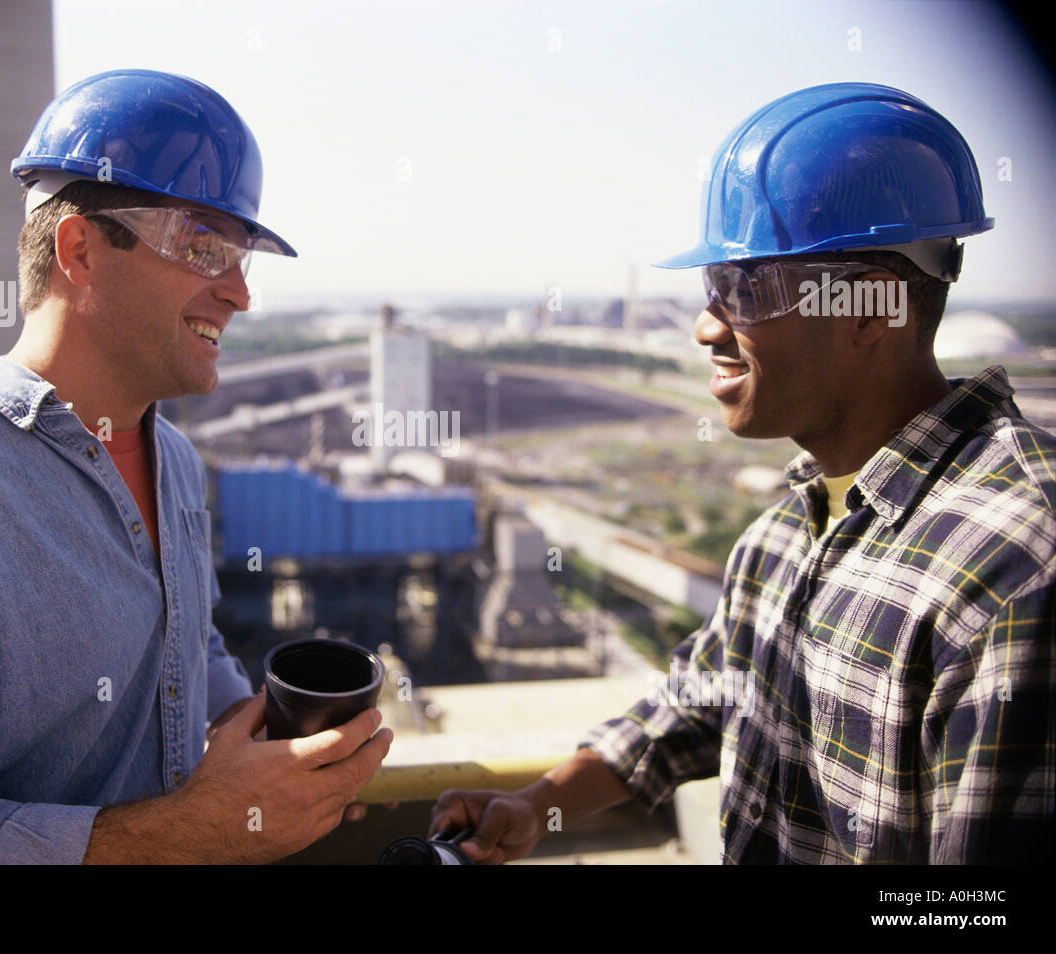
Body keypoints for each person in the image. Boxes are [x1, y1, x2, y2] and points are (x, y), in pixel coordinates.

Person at [0, 69, 391, 863]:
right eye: (205, 246)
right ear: (80, 250)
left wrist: (280, 761)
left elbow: (183, 652)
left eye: (243, 257)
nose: (239, 293)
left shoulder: (169, 458)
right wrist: (190, 835)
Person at [430, 82, 1055, 864]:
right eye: (711, 287)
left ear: (870, 307)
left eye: (746, 289)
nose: (704, 327)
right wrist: (538, 804)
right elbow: (699, 704)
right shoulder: (783, 536)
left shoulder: (1017, 571)